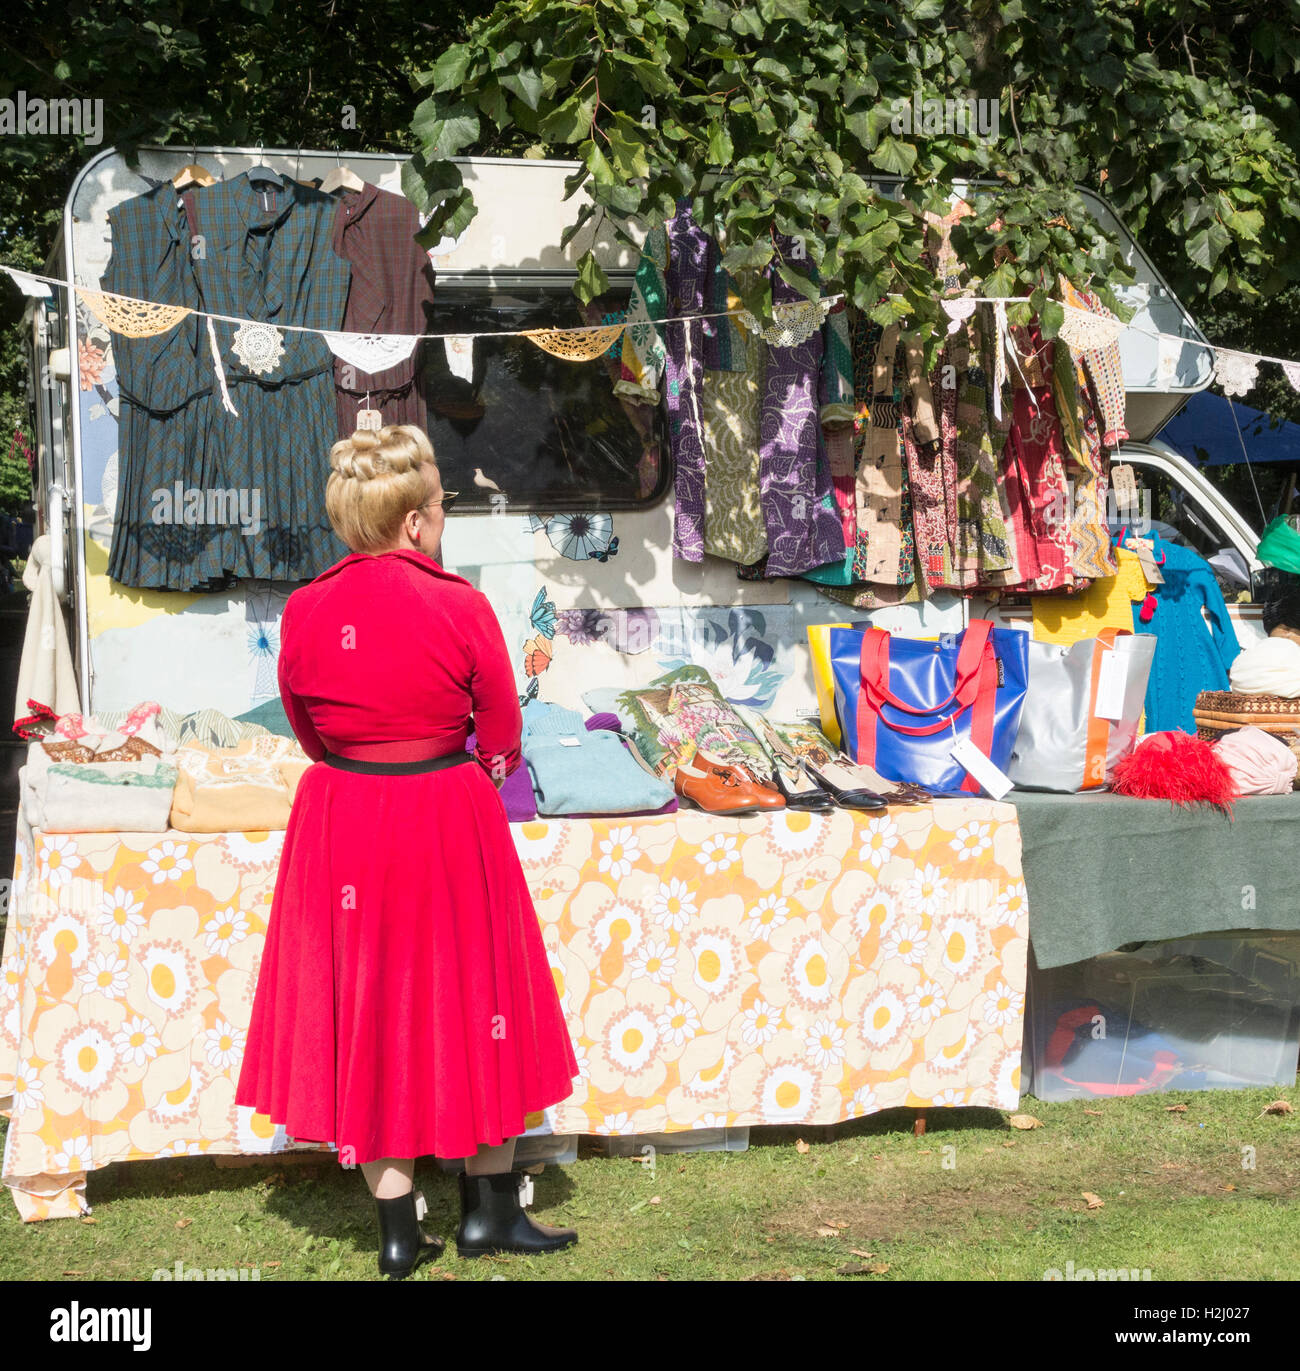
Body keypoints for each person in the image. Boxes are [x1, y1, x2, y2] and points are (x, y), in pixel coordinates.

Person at [235, 424, 580, 1278]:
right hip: (444, 811)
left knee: (370, 1006)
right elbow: (502, 733)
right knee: (476, 996)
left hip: (343, 814)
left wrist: (366, 766)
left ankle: (397, 1231)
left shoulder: (306, 607)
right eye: (441, 505)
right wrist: (462, 770)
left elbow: (309, 733)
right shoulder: (458, 603)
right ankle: (487, 1214)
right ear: (417, 523)